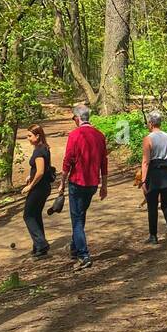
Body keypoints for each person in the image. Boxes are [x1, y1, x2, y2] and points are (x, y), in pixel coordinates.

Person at [58, 105, 107, 270]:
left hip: (77, 182)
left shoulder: (75, 135)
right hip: (93, 183)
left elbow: (68, 159)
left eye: (73, 118)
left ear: (77, 118)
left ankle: (83, 255)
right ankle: (75, 247)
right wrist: (104, 185)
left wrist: (62, 182)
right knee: (80, 215)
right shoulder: (99, 135)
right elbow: (103, 162)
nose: (73, 121)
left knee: (77, 219)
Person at [140, 110, 167, 247]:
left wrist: (144, 181)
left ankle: (153, 236)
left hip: (155, 173)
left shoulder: (148, 139)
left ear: (151, 123)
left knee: (152, 205)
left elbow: (145, 161)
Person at [21, 124, 54, 257]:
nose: (27, 138)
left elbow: (40, 172)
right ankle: (39, 248)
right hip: (43, 187)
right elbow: (42, 169)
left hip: (39, 188)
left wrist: (30, 185)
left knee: (28, 215)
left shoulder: (39, 151)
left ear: (38, 135)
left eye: (30, 135)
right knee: (35, 214)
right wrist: (31, 175)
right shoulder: (44, 148)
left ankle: (41, 243)